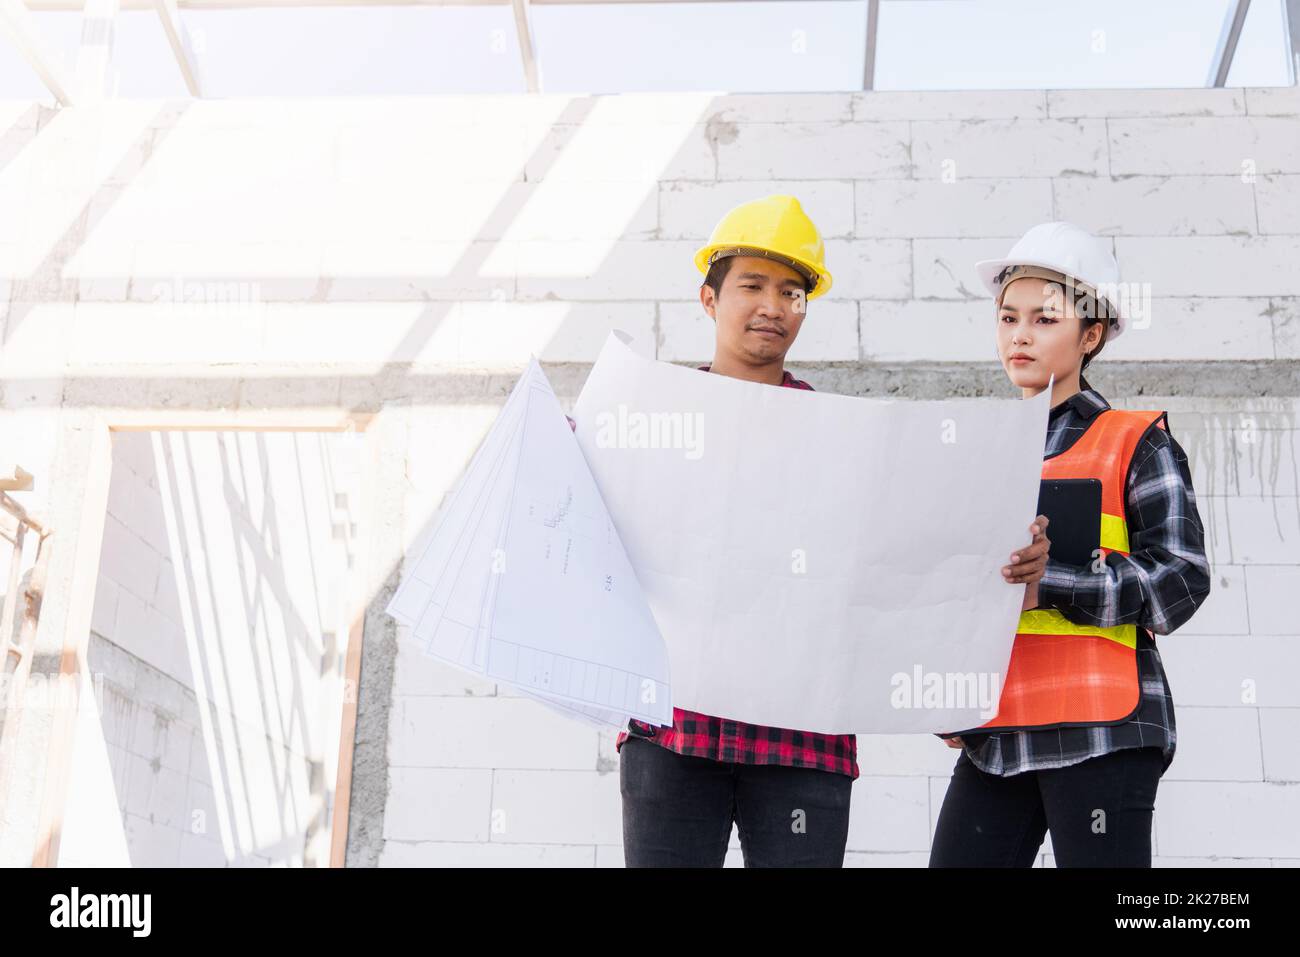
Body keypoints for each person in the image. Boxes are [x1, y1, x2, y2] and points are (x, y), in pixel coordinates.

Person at [573, 195, 1050, 867]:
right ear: (708, 298)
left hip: (802, 743)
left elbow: (902, 571)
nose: (774, 304)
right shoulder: (652, 423)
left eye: (792, 291)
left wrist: (993, 599)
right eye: (753, 285)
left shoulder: (849, 445)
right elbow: (579, 526)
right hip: (674, 736)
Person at [929, 222, 1212, 868]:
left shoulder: (1133, 440)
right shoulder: (978, 457)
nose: (1019, 335)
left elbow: (1181, 580)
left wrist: (1049, 581)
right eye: (1007, 318)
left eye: (1043, 319)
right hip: (999, 736)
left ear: (1091, 336)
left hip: (1102, 729)